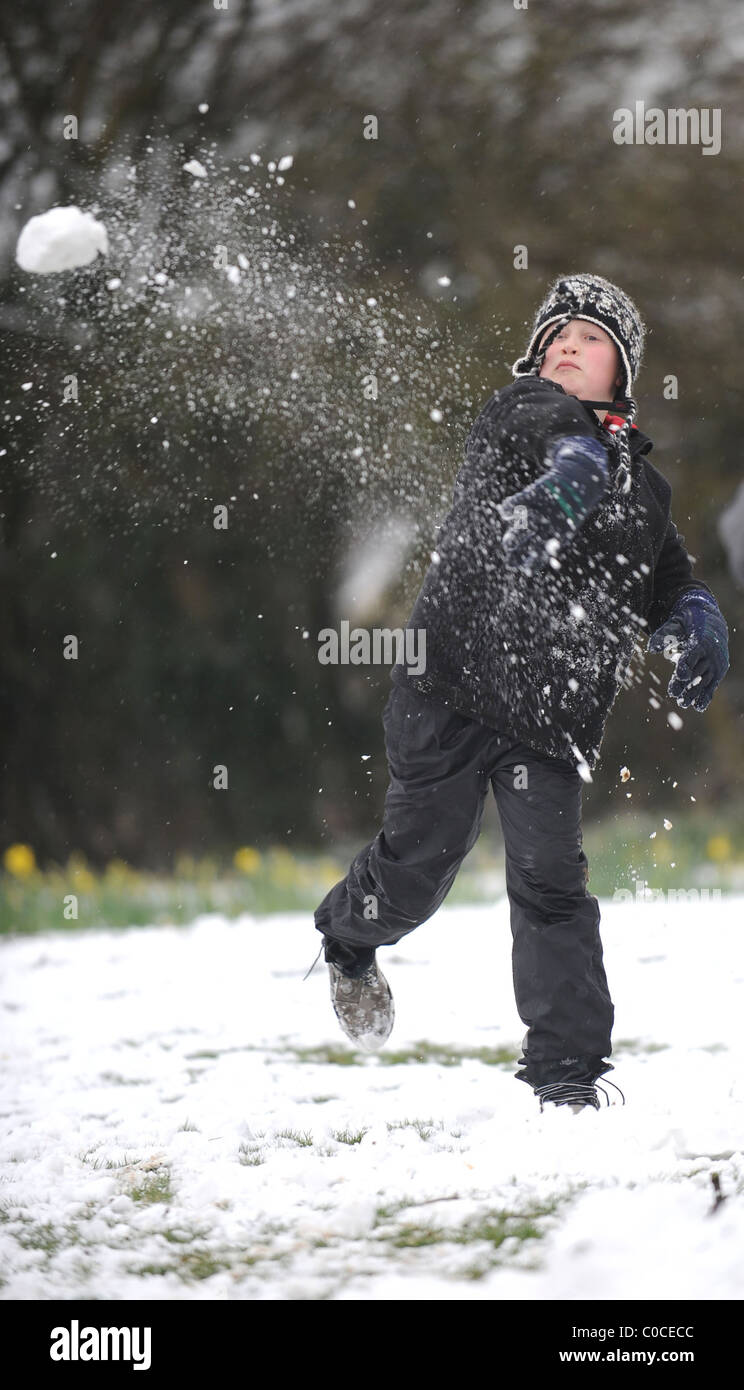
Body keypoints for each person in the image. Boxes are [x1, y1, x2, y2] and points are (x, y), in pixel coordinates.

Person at [311, 273, 730, 1112]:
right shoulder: (518, 412)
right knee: (417, 872)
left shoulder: (643, 490)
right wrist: (569, 468)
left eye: (590, 338)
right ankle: (348, 938)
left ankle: (567, 1080)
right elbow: (556, 437)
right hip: (454, 691)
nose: (566, 347)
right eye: (554, 338)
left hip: (552, 724)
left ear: (623, 374)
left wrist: (697, 616)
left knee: (552, 889)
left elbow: (668, 582)